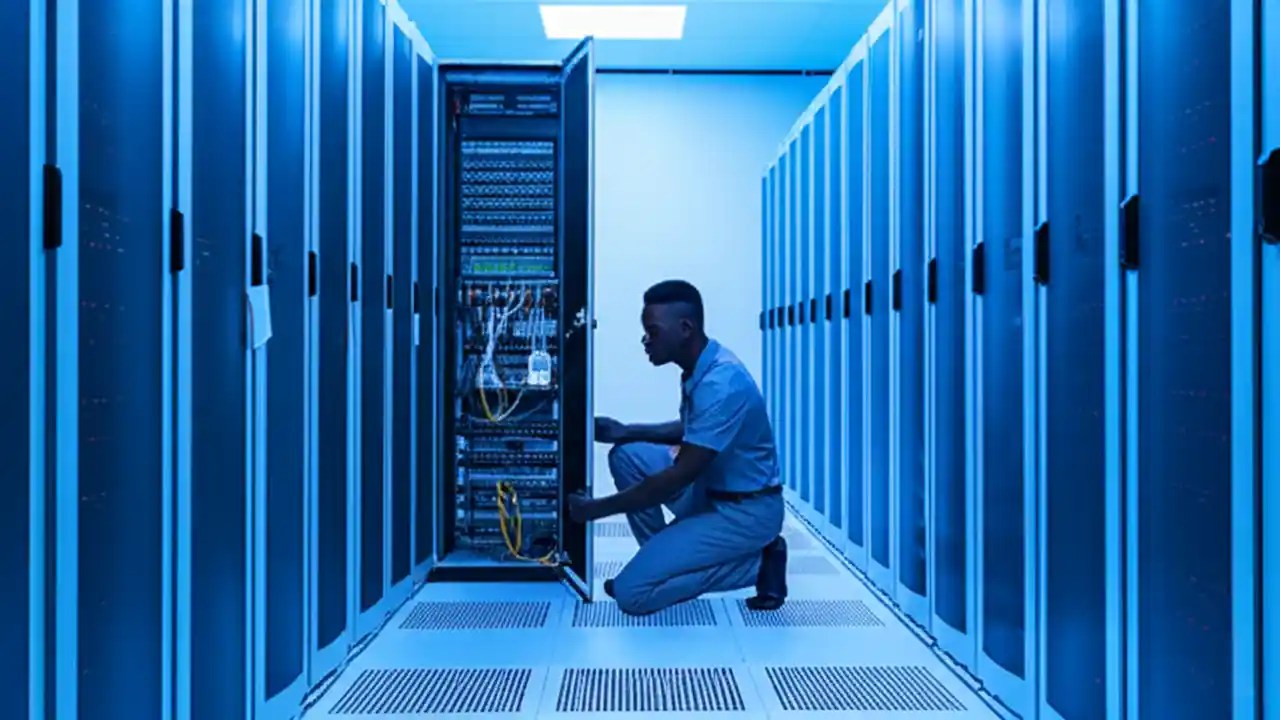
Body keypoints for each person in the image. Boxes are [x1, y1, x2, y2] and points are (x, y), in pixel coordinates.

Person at [567, 279, 788, 616]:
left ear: (685, 328)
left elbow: (677, 477)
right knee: (627, 455)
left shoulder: (721, 383)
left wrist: (594, 510)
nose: (645, 340)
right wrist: (625, 431)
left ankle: (760, 565)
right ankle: (659, 562)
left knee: (632, 595)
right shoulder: (700, 366)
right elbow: (692, 430)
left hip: (744, 513)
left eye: (652, 331)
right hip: (712, 493)